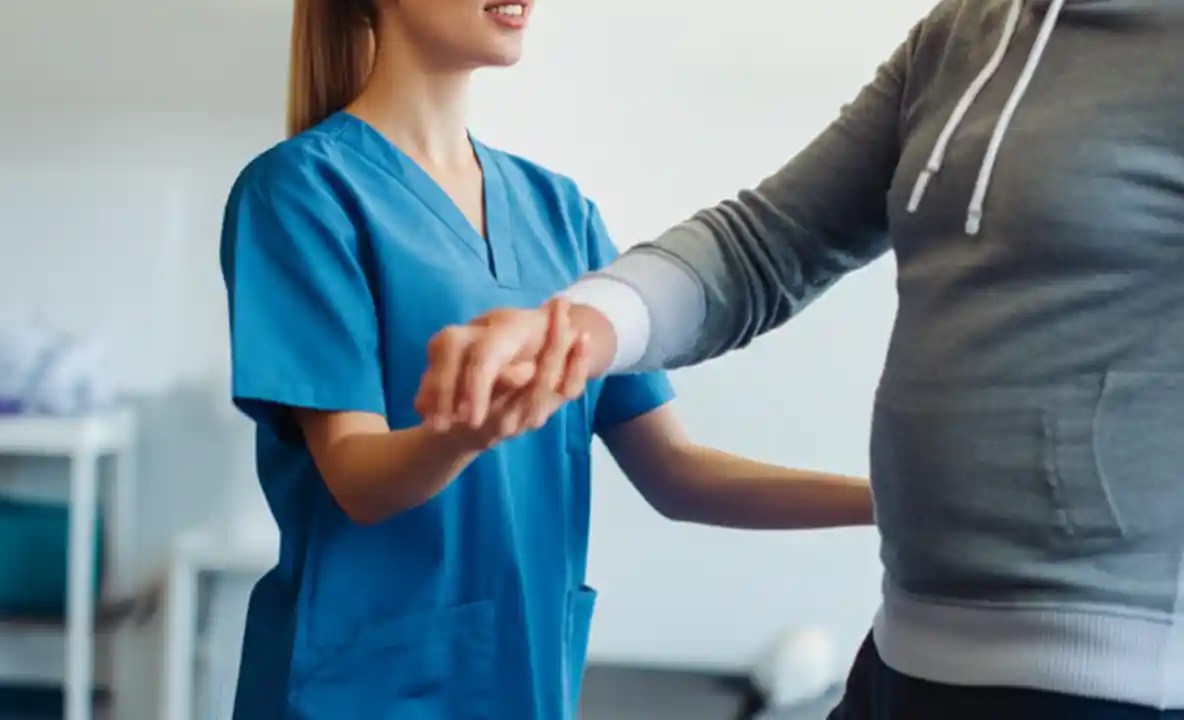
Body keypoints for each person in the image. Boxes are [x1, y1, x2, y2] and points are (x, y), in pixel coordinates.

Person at [418, 0, 1184, 717]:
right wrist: (575, 328)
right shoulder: (961, 33)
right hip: (903, 655)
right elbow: (765, 245)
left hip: (1113, 680)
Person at [219, 0, 874, 717]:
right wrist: (469, 430)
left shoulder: (560, 213)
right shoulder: (302, 192)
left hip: (523, 685)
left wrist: (892, 504)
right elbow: (356, 475)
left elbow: (676, 473)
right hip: (360, 692)